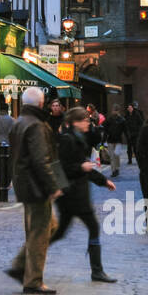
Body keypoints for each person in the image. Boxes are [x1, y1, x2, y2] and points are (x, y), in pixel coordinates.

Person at [5, 87, 65, 294]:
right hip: (36, 185)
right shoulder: (37, 125)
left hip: (25, 183)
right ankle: (33, 280)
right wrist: (53, 185)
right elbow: (41, 160)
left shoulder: (19, 122)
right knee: (40, 231)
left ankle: (21, 266)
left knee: (48, 227)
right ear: (41, 104)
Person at [52, 107, 117, 282]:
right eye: (85, 120)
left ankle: (29, 257)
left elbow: (84, 165)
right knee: (92, 227)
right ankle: (97, 271)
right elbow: (64, 167)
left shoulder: (79, 138)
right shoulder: (67, 140)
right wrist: (81, 167)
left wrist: (103, 181)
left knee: (60, 232)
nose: (88, 123)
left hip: (74, 195)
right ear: (75, 123)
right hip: (72, 195)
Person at [104, 107, 127, 177]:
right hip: (110, 140)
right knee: (112, 156)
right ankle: (114, 170)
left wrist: (128, 138)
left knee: (116, 154)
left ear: (118, 111)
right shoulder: (109, 120)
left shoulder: (122, 120)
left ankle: (117, 168)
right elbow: (106, 130)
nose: (114, 112)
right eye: (113, 111)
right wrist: (103, 139)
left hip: (118, 140)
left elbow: (125, 130)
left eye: (115, 111)